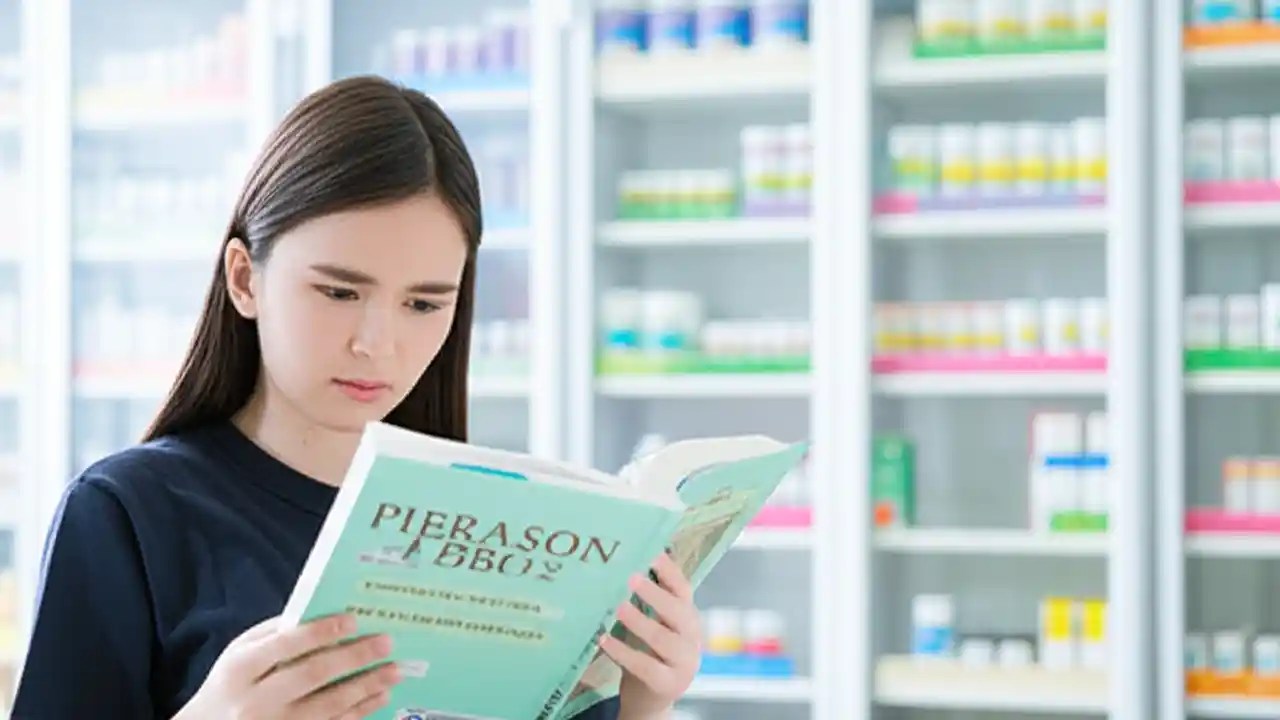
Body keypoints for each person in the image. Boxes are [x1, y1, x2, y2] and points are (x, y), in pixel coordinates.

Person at [11, 76, 701, 719]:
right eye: (339, 292)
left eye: (424, 304)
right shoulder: (130, 514)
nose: (379, 343)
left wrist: (643, 700)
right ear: (245, 279)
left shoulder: (503, 531)